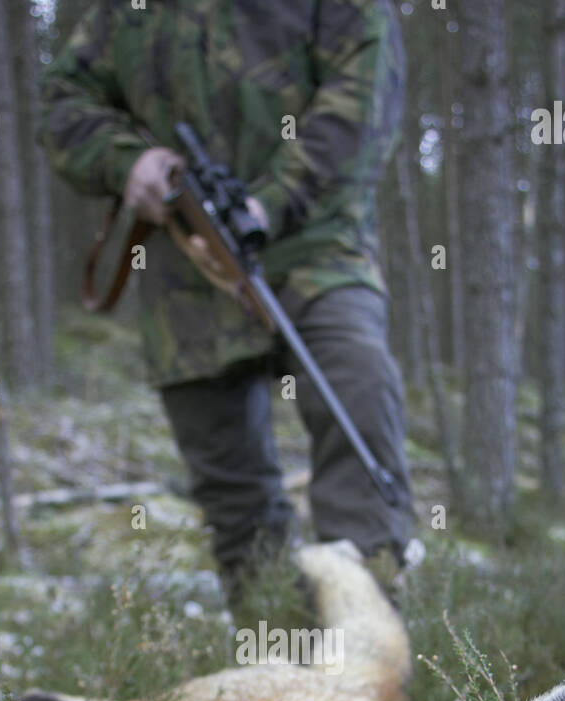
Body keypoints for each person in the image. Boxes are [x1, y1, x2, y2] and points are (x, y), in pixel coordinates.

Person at [39, 0, 415, 596]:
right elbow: (62, 98)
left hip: (317, 246)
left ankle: (371, 638)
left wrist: (266, 204)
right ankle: (276, 664)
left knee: (357, 399)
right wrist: (128, 163)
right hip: (182, 269)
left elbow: (362, 105)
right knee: (233, 495)